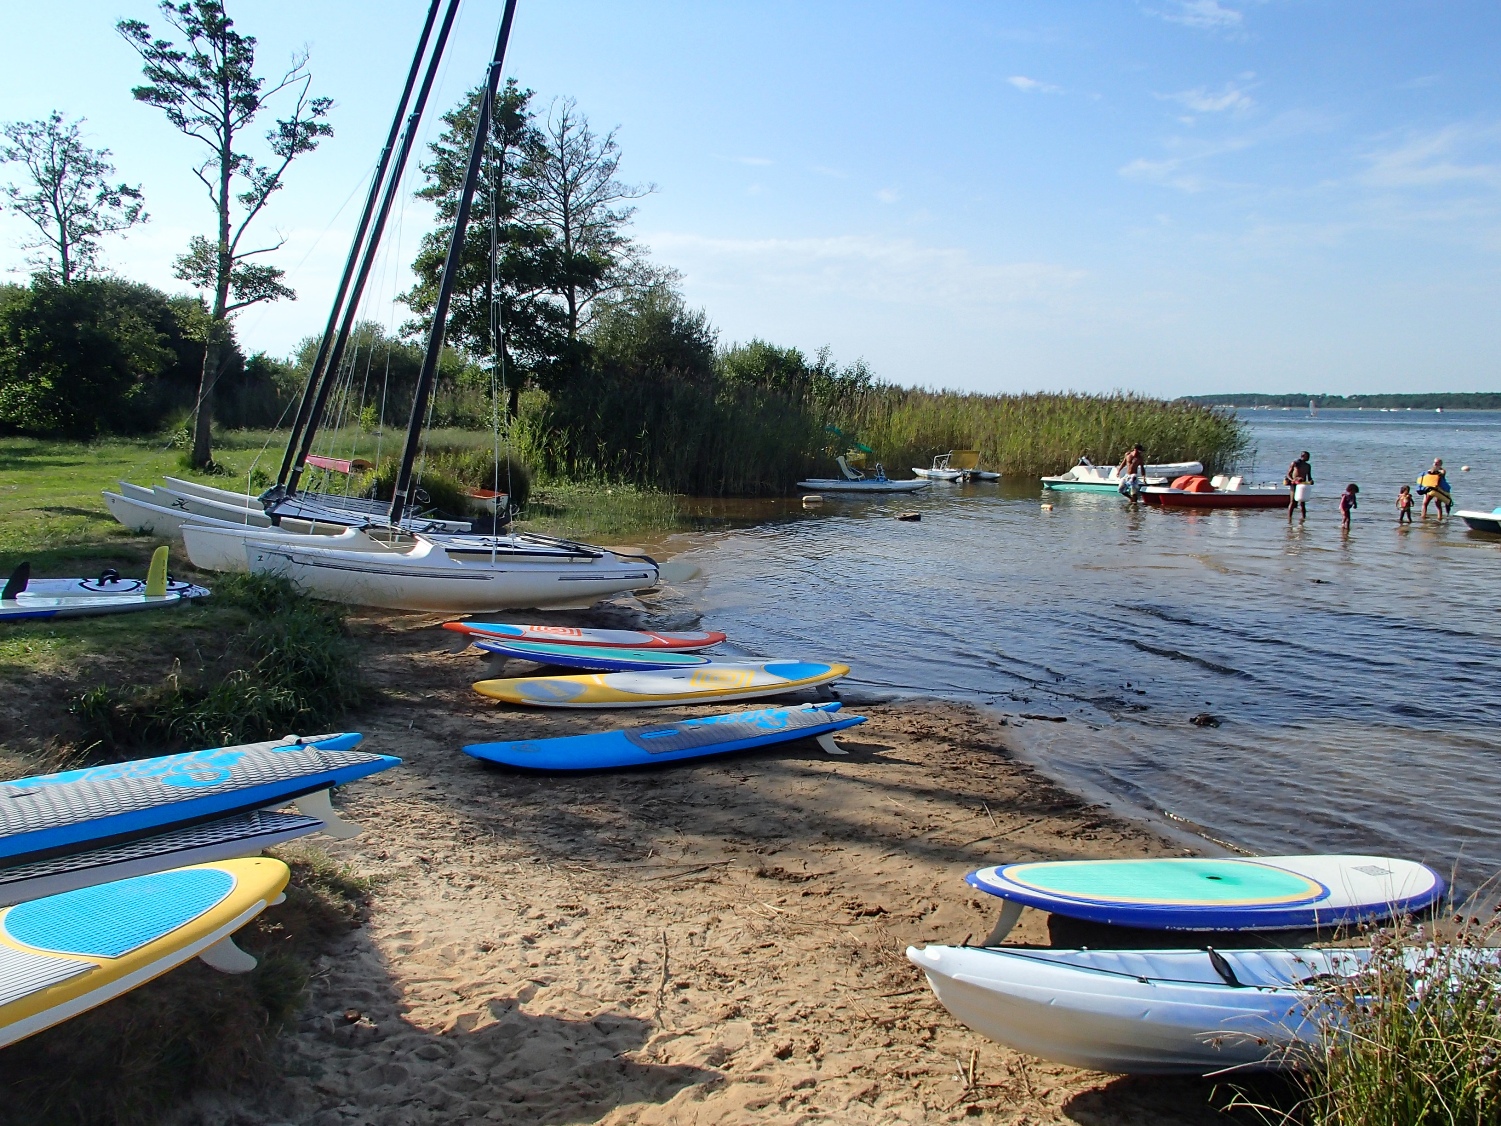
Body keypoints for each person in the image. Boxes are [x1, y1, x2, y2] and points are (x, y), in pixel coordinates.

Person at [1286, 451, 1313, 519]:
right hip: (1294, 484)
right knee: (1293, 502)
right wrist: (1293, 480)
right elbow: (1288, 474)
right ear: (1302, 456)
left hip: (1302, 485)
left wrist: (1311, 481)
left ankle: (1303, 518)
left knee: (1302, 503)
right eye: (1307, 456)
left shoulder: (1308, 466)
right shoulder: (1295, 463)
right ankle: (1289, 518)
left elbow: (1309, 477)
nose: (1309, 458)